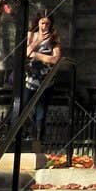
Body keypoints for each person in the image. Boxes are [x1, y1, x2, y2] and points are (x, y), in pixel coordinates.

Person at [22, 12, 62, 160]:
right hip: (30, 80)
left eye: (47, 24)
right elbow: (25, 53)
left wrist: (38, 55)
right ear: (38, 23)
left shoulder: (54, 38)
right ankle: (24, 138)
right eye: (42, 23)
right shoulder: (31, 36)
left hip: (46, 81)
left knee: (41, 113)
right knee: (24, 108)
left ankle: (38, 141)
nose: (44, 26)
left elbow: (56, 59)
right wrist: (37, 42)